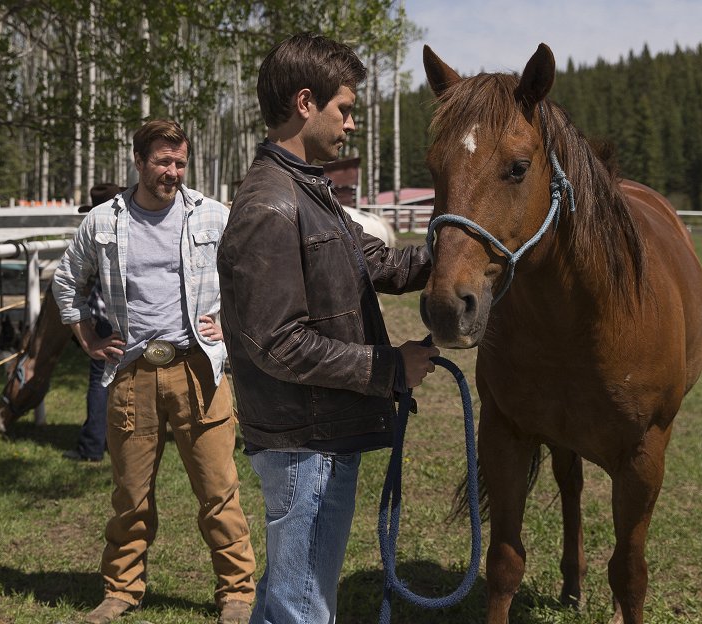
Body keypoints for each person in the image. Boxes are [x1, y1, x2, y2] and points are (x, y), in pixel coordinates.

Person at [216, 33, 438, 624]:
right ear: (305, 103)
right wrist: (387, 368)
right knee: (302, 609)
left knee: (288, 597)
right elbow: (276, 341)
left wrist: (461, 247)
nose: (351, 123)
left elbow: (382, 263)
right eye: (344, 108)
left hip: (316, 433)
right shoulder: (270, 204)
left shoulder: (307, 190)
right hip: (304, 442)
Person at [53, 120, 256, 624]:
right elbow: (67, 280)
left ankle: (237, 593)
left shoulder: (212, 215)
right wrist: (88, 338)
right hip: (132, 373)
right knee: (130, 495)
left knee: (218, 490)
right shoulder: (102, 222)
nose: (172, 172)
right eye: (163, 162)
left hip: (198, 370)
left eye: (180, 163)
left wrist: (230, 325)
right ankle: (120, 590)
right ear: (139, 161)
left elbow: (253, 273)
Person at [63, 183, 124, 463]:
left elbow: (72, 277)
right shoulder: (131, 226)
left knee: (100, 380)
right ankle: (120, 440)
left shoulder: (97, 231)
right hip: (132, 316)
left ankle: (92, 444)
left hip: (106, 316)